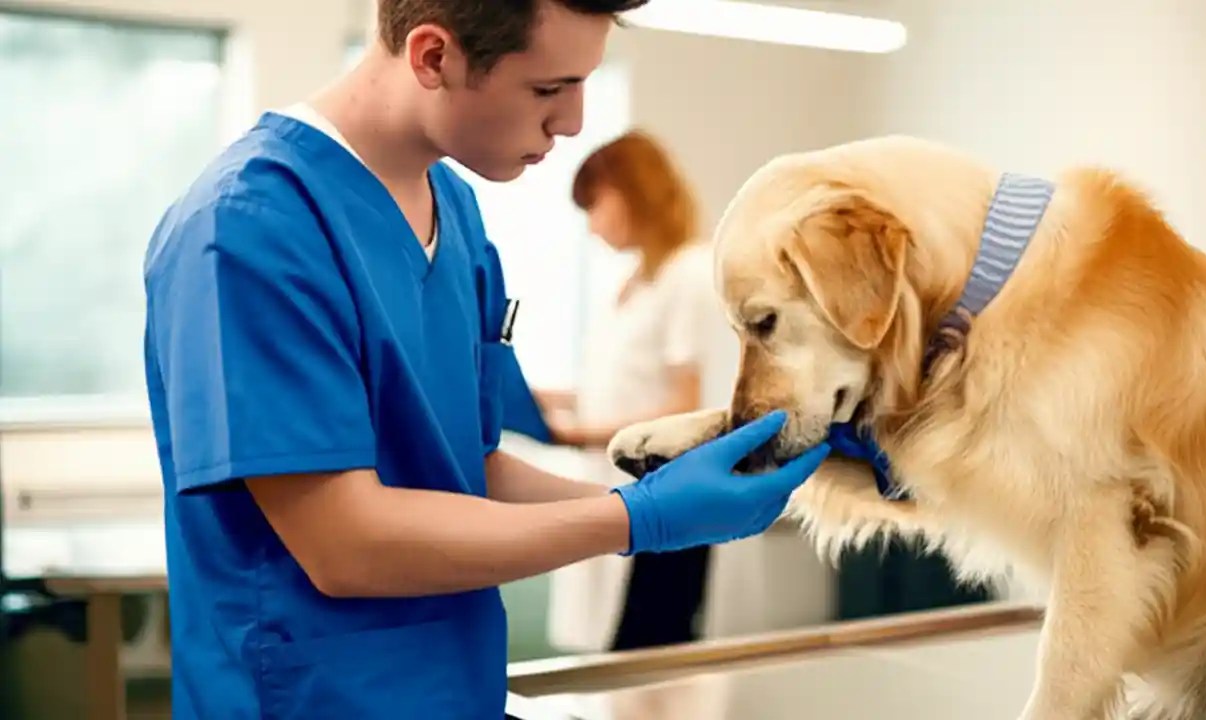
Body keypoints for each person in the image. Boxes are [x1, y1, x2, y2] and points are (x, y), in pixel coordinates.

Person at [140, 1, 831, 718]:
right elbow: (345, 543)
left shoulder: (457, 212)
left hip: (459, 690)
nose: (572, 122)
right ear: (434, 57)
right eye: (547, 89)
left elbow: (474, 467)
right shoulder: (250, 229)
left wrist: (673, 502)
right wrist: (635, 520)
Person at [536, 130, 735, 717]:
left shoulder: (690, 275)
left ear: (630, 193)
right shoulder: (633, 284)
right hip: (616, 492)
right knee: (614, 671)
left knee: (650, 667)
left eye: (596, 205)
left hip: (665, 500)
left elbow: (685, 408)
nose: (593, 226)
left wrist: (574, 433)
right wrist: (539, 399)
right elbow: (616, 386)